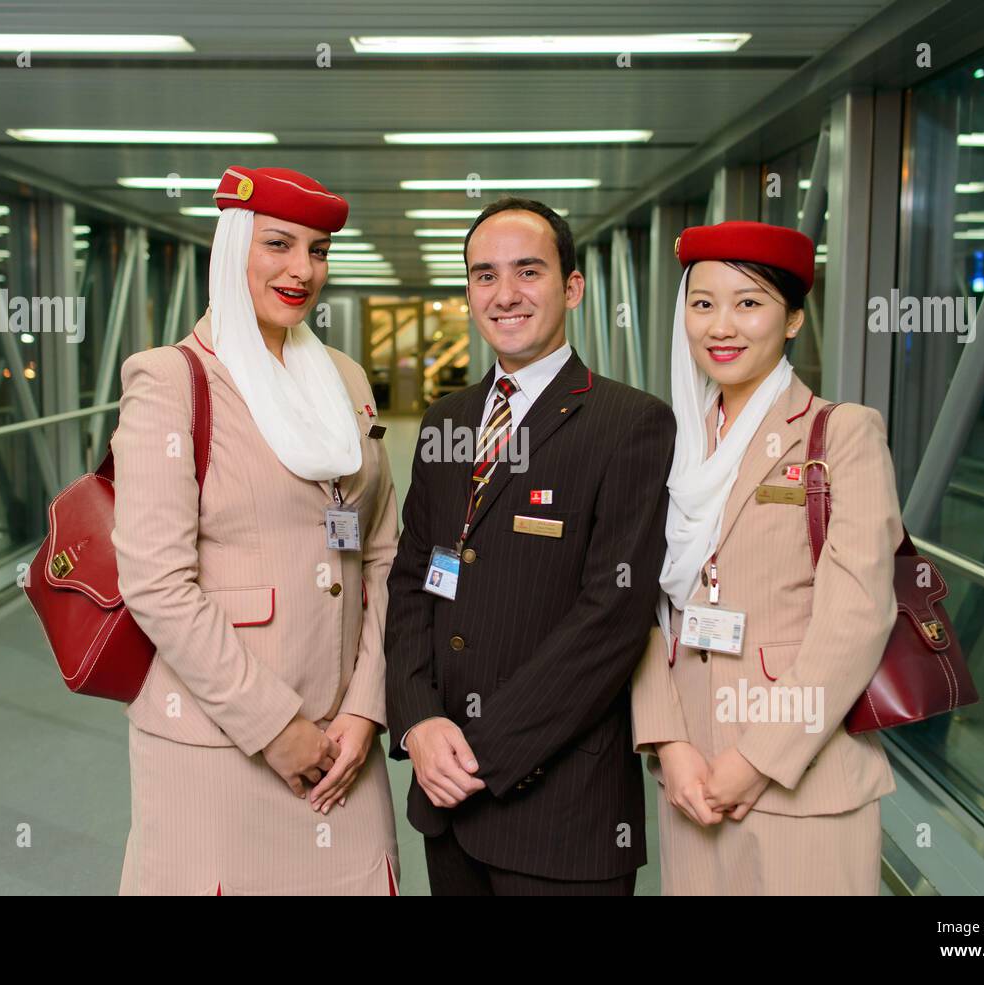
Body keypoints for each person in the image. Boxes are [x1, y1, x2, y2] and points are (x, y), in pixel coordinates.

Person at [113, 166, 399, 895]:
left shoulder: (345, 378)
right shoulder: (172, 380)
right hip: (221, 740)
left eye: (318, 250)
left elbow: (383, 554)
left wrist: (367, 705)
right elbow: (156, 582)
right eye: (278, 243)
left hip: (344, 738)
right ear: (232, 246)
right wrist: (275, 725)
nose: (301, 269)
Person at [385, 197, 676, 895]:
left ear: (571, 288)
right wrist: (419, 721)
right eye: (484, 275)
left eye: (528, 271)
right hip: (445, 800)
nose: (505, 294)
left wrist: (479, 753)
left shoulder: (629, 422)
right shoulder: (446, 419)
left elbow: (613, 616)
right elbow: (411, 580)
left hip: (561, 812)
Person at [631, 220, 901, 895]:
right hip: (692, 779)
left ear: (793, 320)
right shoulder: (672, 443)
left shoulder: (840, 433)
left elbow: (857, 617)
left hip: (801, 779)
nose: (722, 325)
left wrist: (756, 759)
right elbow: (637, 605)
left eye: (748, 302)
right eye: (703, 303)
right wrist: (670, 742)